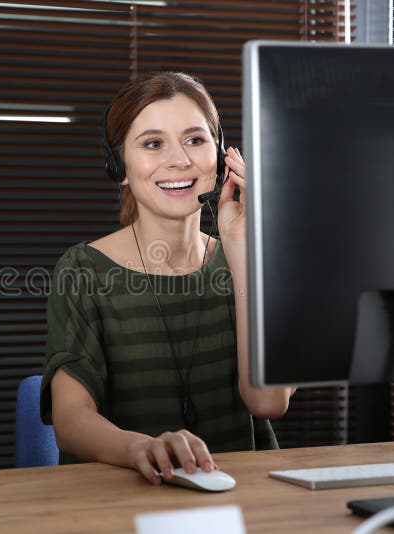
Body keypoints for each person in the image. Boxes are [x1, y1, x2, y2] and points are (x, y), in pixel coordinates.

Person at [40, 71, 296, 485]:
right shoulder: (83, 270)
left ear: (222, 156)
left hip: (242, 498)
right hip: (120, 499)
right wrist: (138, 447)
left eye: (195, 140)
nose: (179, 160)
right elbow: (70, 420)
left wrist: (243, 250)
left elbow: (267, 402)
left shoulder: (258, 257)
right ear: (119, 166)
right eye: (153, 144)